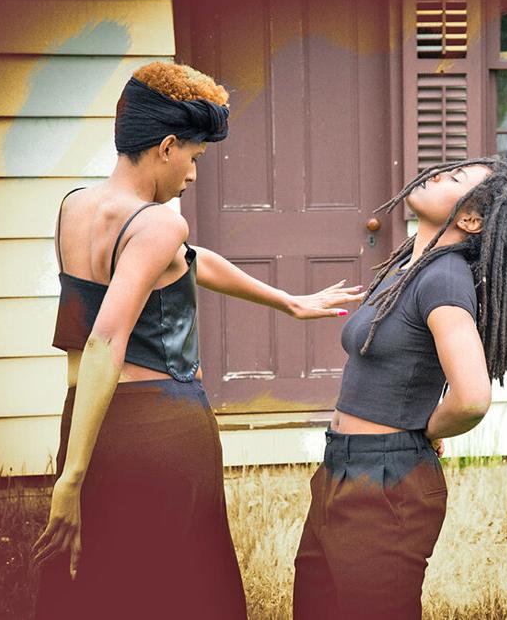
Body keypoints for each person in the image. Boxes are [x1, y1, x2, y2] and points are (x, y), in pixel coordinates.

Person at [32, 61, 363, 620]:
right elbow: (103, 341)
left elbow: (185, 263)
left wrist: (288, 301)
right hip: (159, 433)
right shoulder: (160, 223)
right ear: (165, 147)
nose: (191, 175)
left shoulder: (75, 206)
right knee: (176, 590)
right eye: (193, 157)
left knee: (101, 586)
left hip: (86, 421)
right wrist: (69, 483)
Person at [292, 158, 507, 620]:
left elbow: (471, 397)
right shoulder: (408, 264)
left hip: (387, 481)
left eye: (455, 178)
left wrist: (422, 432)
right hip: (342, 467)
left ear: (470, 219)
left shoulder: (443, 279)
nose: (437, 173)